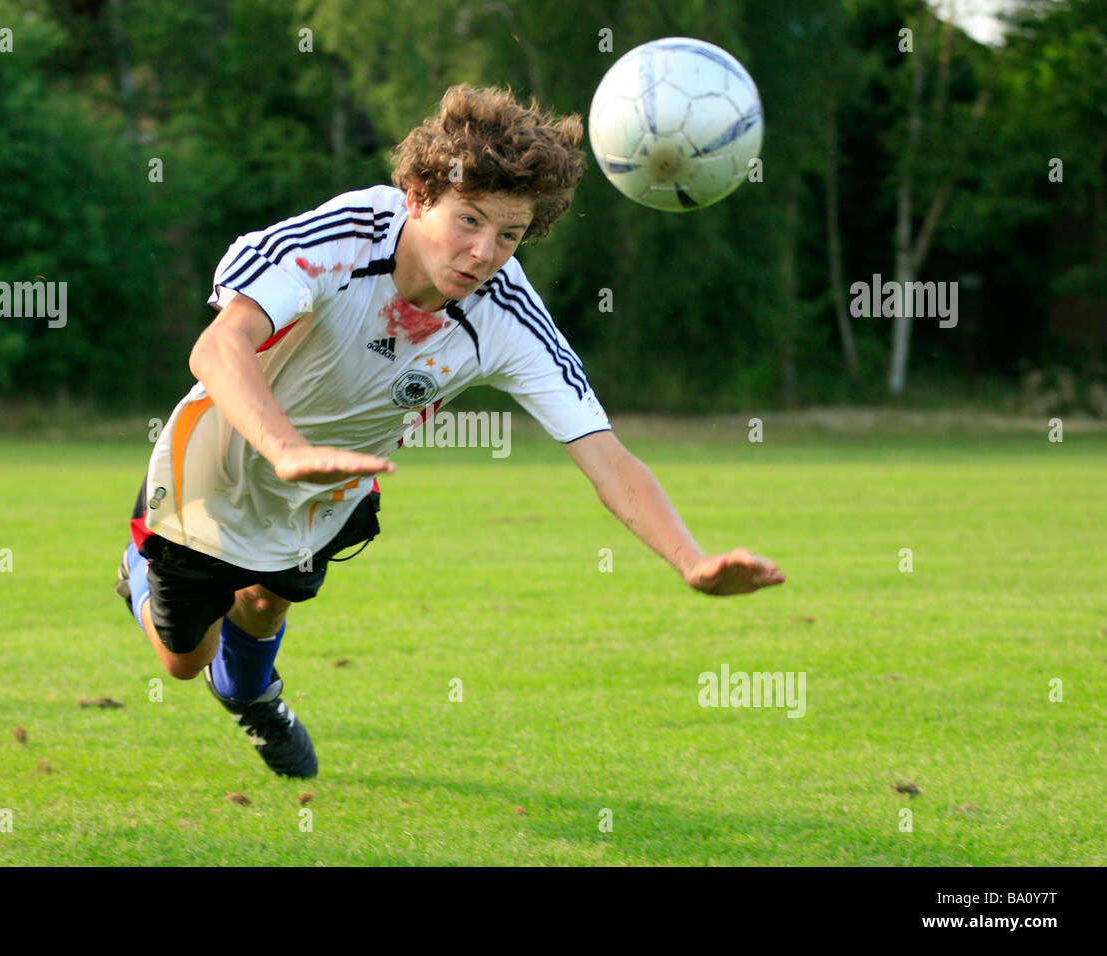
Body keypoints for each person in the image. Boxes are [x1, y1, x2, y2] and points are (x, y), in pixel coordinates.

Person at [115, 85, 785, 779]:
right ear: (416, 196)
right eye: (468, 220)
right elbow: (217, 348)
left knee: (264, 599)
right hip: (214, 472)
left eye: (508, 235)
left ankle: (254, 697)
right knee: (183, 662)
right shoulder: (342, 240)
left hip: (329, 487)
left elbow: (607, 459)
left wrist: (691, 562)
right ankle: (140, 571)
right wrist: (284, 447)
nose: (482, 253)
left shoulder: (506, 316)